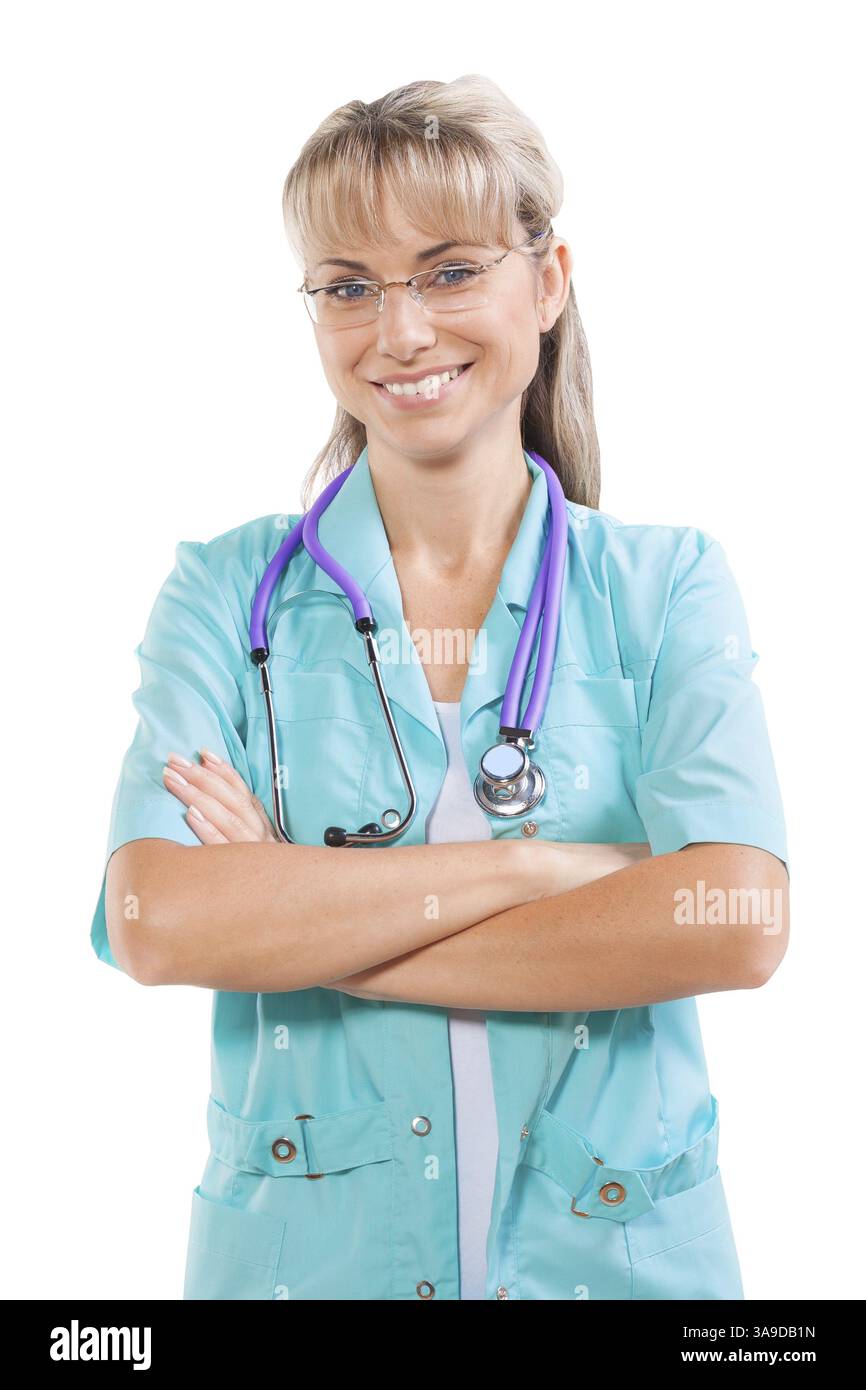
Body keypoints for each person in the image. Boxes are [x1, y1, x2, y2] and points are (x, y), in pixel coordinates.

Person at [90, 74, 790, 1301]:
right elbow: (158, 919)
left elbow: (731, 916)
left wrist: (304, 922)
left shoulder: (665, 584)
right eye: (346, 287)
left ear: (547, 282)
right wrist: (545, 871)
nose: (400, 332)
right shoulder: (224, 592)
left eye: (449, 270)